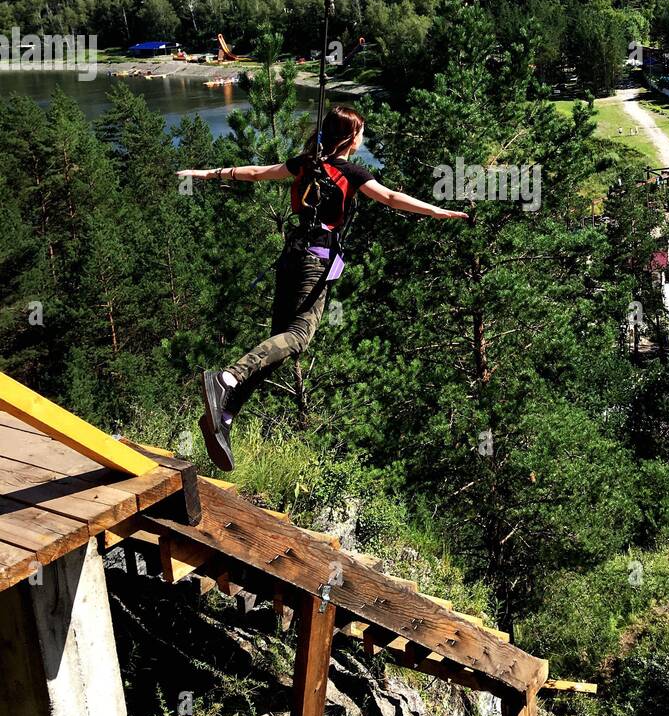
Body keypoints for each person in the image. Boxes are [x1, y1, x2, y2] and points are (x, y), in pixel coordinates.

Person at [176, 105, 467, 470]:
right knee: (297, 338)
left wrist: (207, 173)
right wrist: (438, 212)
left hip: (291, 257)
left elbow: (255, 173)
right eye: (360, 132)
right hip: (316, 260)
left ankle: (225, 415)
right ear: (350, 137)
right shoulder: (350, 171)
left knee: (277, 343)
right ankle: (227, 378)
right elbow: (392, 198)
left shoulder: (305, 163)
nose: (363, 138)